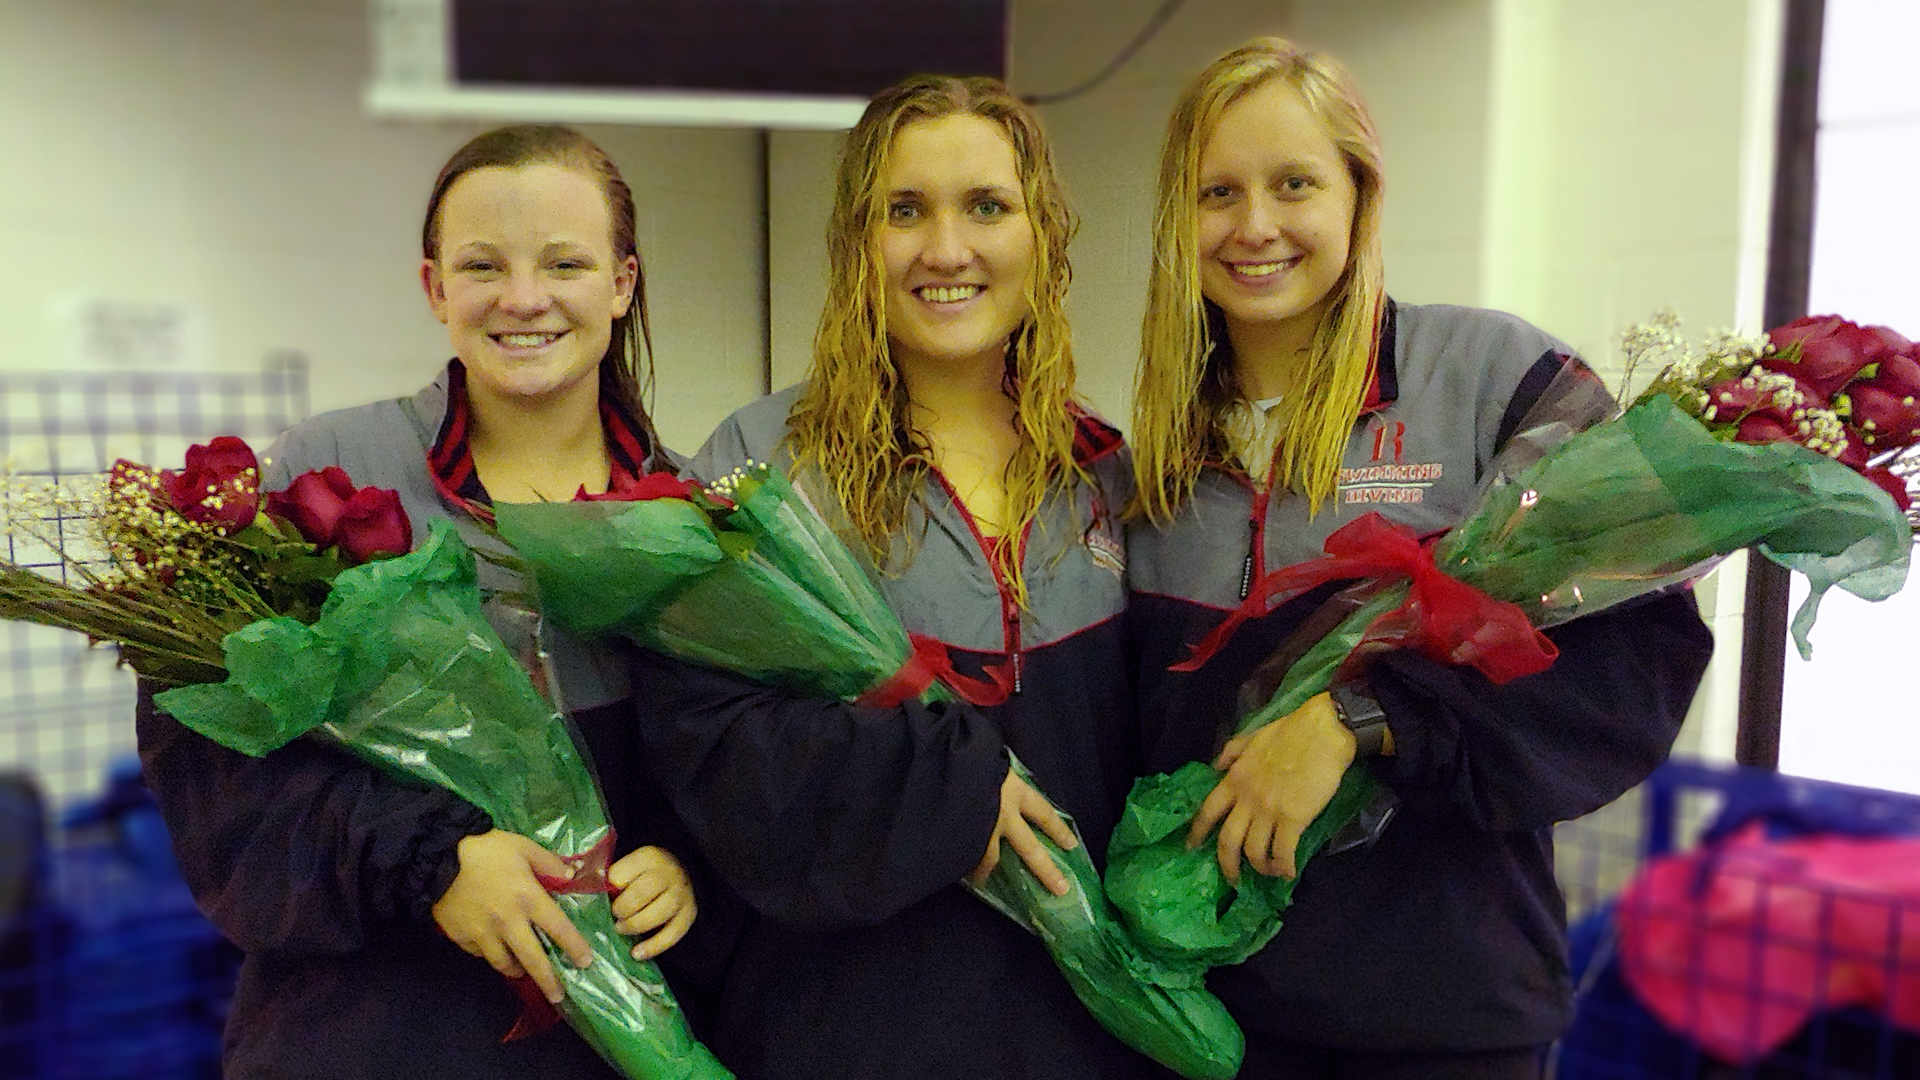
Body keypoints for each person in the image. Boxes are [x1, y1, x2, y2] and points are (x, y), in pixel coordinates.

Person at [1125, 39, 1716, 1080]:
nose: (1254, 225)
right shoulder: (1149, 464)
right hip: (1204, 1020)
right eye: (1219, 191)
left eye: (1294, 183)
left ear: (1360, 194)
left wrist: (1367, 719)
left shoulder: (1495, 381)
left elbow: (1634, 670)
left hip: (1442, 1022)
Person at [135, 125, 711, 1080]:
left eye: (564, 263)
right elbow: (211, 766)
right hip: (363, 1043)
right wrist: (431, 862)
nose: (524, 299)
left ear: (623, 282)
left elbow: (739, 771)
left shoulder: (695, 523)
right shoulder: (323, 485)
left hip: (617, 1048)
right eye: (483, 265)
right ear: (435, 287)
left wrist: (691, 868)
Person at [629, 76, 1160, 1079]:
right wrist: (947, 790)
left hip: (1076, 1033)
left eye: (986, 208)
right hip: (839, 1027)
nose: (945, 249)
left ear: (1041, 235)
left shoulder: (1106, 472)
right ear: (854, 243)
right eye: (903, 210)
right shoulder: (761, 468)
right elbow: (701, 741)